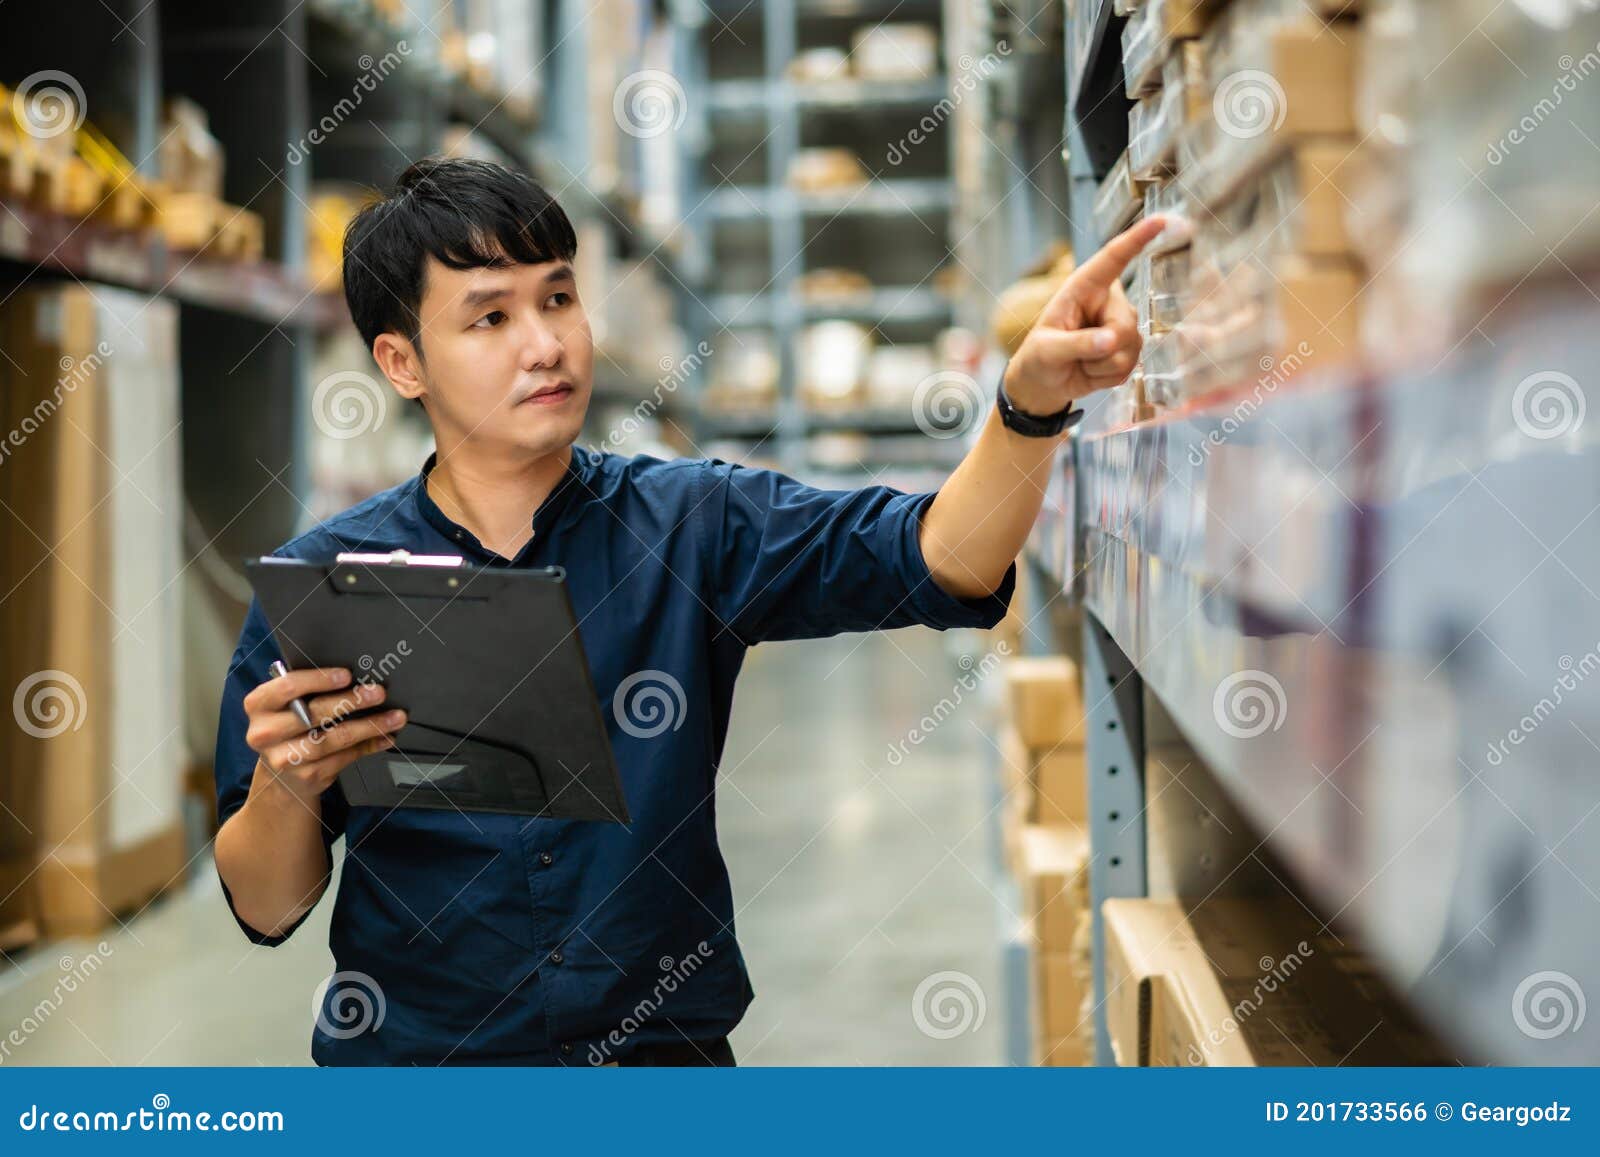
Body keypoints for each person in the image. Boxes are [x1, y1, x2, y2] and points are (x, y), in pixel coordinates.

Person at [213, 156, 1163, 1066]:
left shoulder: (690, 524)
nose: (545, 343)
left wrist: (1031, 403)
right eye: (489, 317)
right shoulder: (331, 585)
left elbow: (942, 551)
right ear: (401, 362)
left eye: (557, 297)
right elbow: (265, 906)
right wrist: (286, 784)